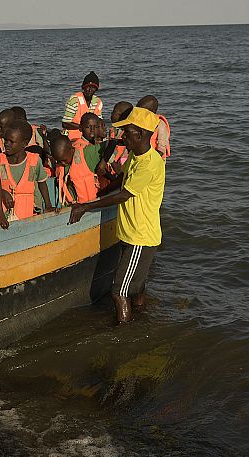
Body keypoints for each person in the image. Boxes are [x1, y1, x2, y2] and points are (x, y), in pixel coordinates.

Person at [67, 107, 165, 323]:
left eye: (126, 132)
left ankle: (124, 334)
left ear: (139, 134)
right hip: (131, 234)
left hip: (141, 237)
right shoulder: (136, 157)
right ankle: (141, 318)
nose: (122, 137)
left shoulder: (148, 164)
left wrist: (86, 207)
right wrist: (99, 193)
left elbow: (123, 195)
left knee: (119, 291)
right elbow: (122, 180)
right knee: (136, 286)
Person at [0, 120, 53, 219]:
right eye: (6, 140)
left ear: (24, 144)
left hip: (29, 211)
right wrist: (2, 192)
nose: (7, 144)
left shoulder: (34, 161)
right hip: (5, 213)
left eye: (11, 141)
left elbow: (42, 183)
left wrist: (48, 205)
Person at [49, 114, 102, 204]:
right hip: (72, 203)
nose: (62, 163)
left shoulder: (86, 152)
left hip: (92, 202)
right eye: (59, 161)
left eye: (96, 127)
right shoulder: (61, 164)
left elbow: (110, 144)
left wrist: (103, 163)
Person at [61, 71, 104, 141]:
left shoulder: (98, 102)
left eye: (93, 87)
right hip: (72, 138)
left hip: (90, 138)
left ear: (96, 89)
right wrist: (83, 128)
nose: (90, 90)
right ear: (83, 87)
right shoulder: (74, 100)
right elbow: (65, 123)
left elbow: (99, 121)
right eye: (88, 87)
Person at [136, 95, 171, 159]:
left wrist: (153, 160)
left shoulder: (160, 124)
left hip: (155, 160)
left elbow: (162, 147)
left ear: (153, 112)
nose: (139, 114)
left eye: (142, 112)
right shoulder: (137, 122)